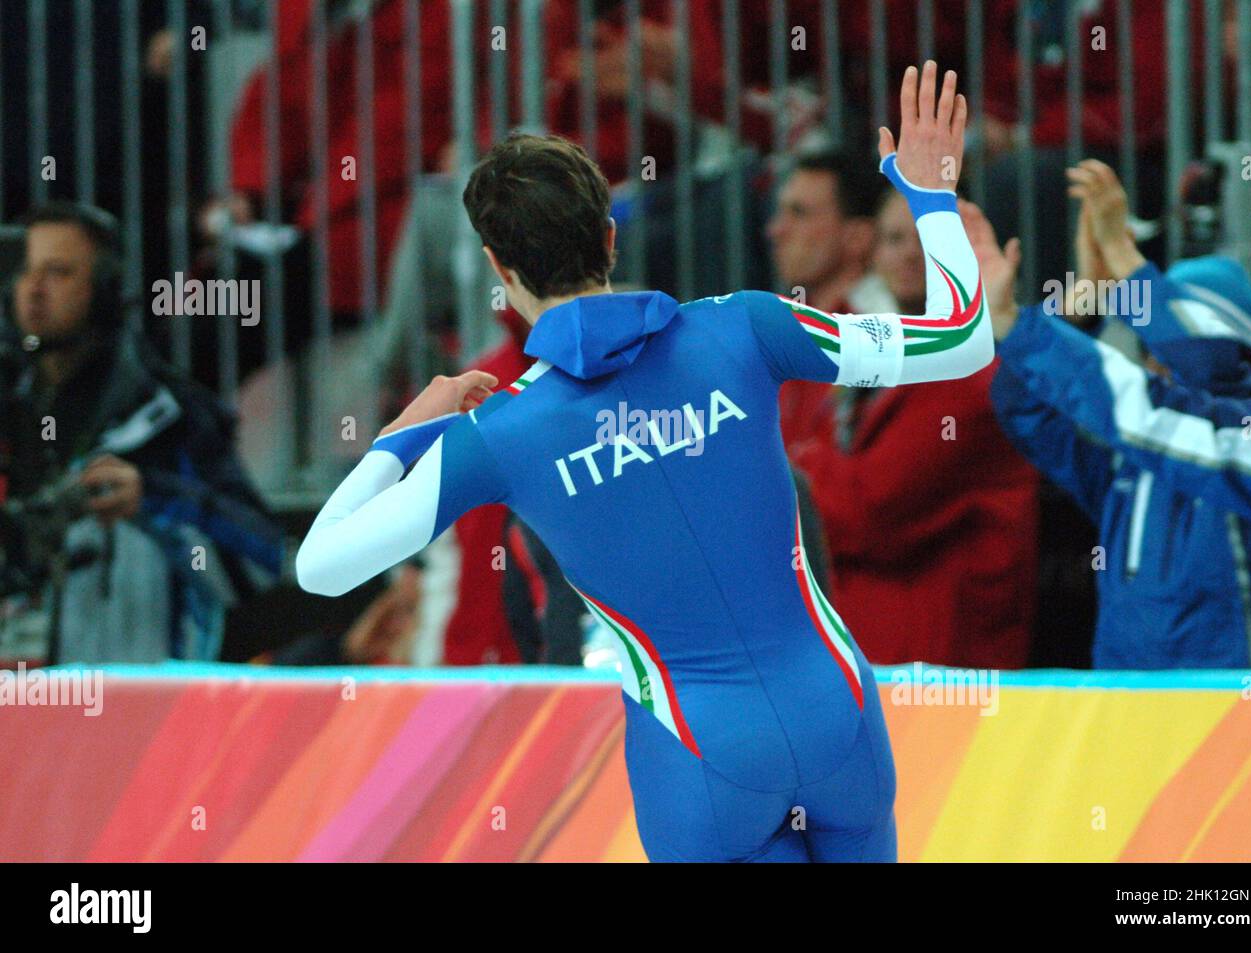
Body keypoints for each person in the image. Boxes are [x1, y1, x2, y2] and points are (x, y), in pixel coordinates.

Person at [299, 63, 991, 862]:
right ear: (610, 236)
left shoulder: (496, 434)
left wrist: (405, 432)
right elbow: (963, 337)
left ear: (500, 267)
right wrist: (929, 193)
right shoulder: (747, 326)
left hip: (702, 762)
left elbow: (320, 566)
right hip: (840, 718)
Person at [976, 166, 1251, 670]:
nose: (1153, 363)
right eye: (1149, 350)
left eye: (1161, 342)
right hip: (1126, 713)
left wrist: (1128, 271)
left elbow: (1203, 360)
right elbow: (1024, 407)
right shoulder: (1129, 451)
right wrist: (1084, 296)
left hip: (1239, 723)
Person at [769, 153, 1039, 668]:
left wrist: (792, 462)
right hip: (878, 658)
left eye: (928, 242)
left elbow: (866, 514)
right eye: (894, 240)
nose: (910, 257)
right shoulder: (886, 351)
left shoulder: (973, 378)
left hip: (943, 674)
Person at [0, 202, 284, 665]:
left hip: (144, 709)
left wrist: (153, 499)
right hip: (20, 710)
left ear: (106, 288)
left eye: (58, 272)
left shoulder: (171, 415)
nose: (33, 290)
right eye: (23, 272)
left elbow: (264, 558)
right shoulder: (12, 408)